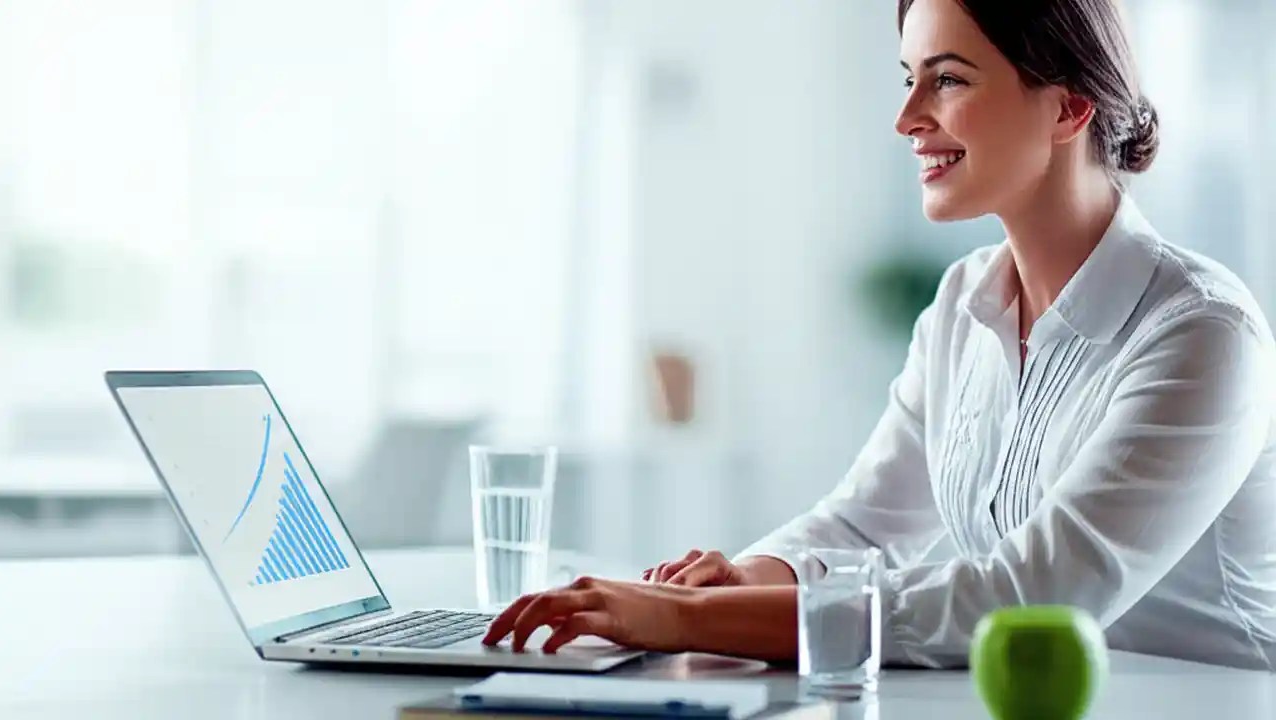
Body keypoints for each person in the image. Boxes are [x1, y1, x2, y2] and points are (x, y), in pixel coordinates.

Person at [482, 0, 1276, 671]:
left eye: (948, 80)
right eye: (909, 79)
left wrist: (676, 620)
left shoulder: (1202, 333)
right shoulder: (965, 303)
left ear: (1068, 106)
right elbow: (864, 524)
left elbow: (1029, 600)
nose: (907, 118)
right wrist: (737, 580)